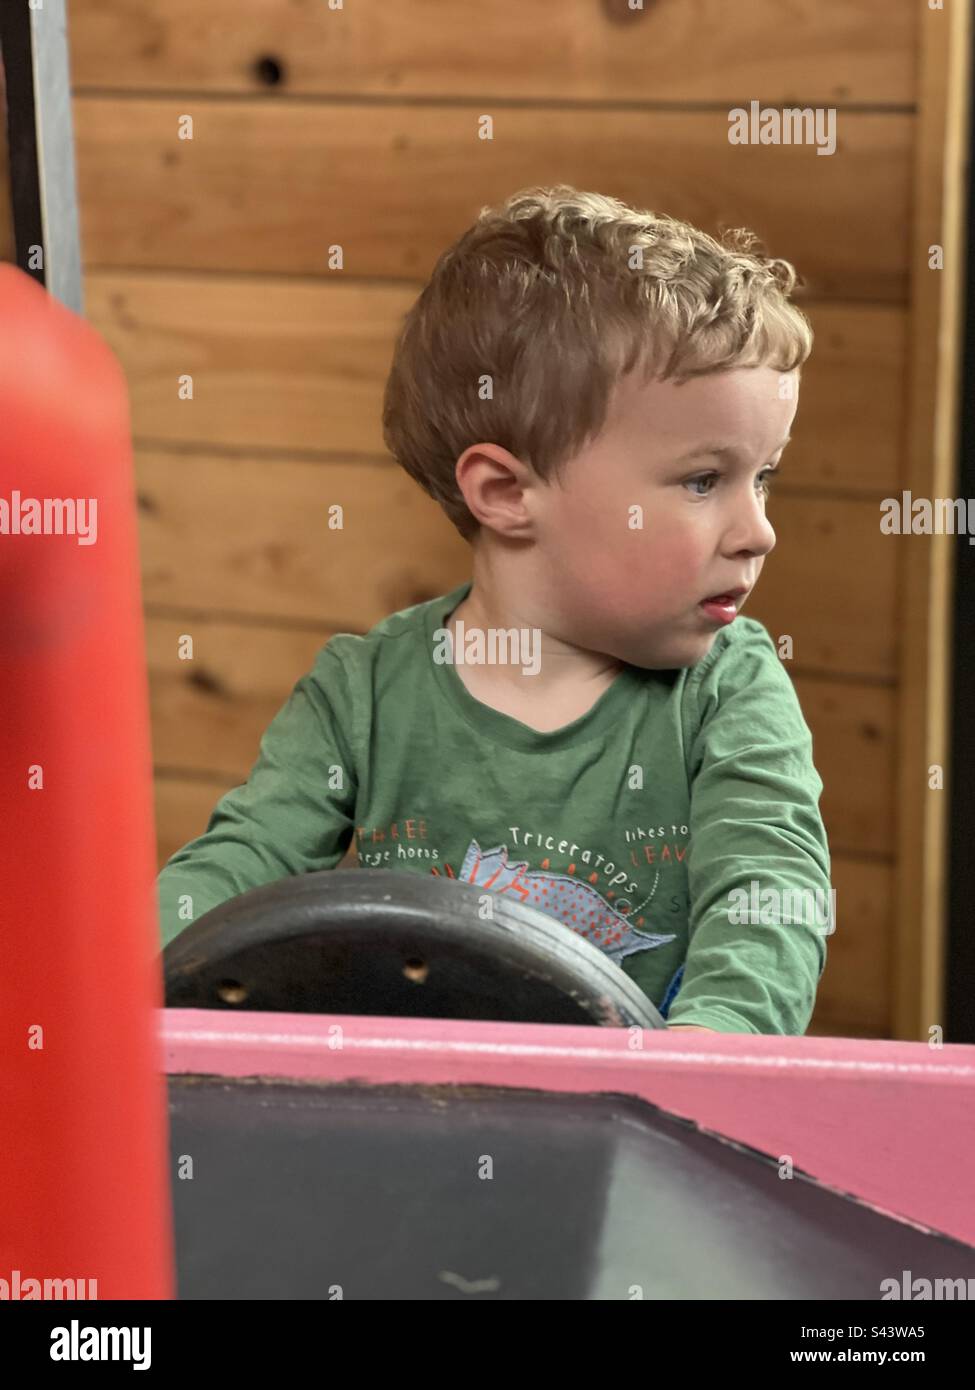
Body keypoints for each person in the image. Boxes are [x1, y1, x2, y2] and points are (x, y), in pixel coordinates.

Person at [156, 185, 832, 1034]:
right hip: (396, 1120)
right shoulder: (361, 695)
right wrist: (110, 986)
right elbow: (239, 867)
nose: (758, 531)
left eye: (761, 477)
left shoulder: (728, 690)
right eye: (703, 480)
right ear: (507, 492)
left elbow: (767, 897)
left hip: (626, 1133)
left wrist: (706, 1058)